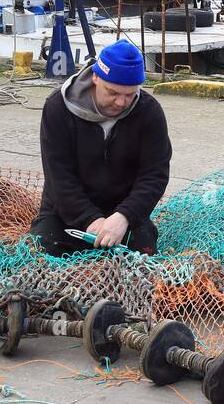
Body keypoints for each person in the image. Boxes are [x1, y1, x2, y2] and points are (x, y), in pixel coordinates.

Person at [31, 39, 171, 255]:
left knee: (142, 253)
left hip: (123, 214)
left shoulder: (149, 112)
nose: (121, 103)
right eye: (113, 93)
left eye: (129, 94)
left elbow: (155, 175)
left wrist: (123, 217)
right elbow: (59, 177)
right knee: (43, 249)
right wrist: (91, 220)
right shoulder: (57, 108)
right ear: (96, 76)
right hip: (65, 212)